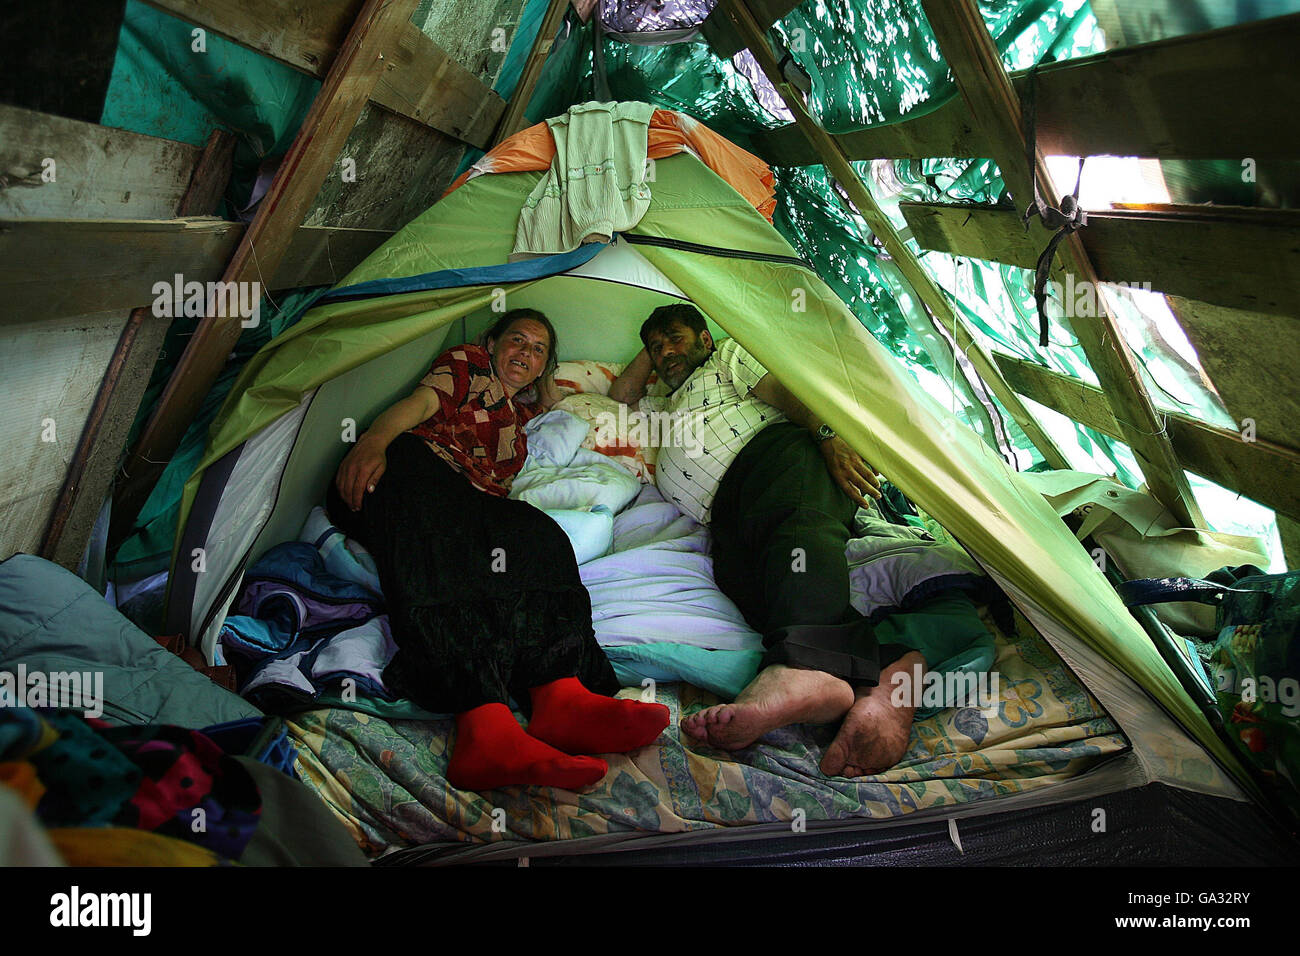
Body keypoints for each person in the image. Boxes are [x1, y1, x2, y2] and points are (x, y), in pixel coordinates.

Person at [327, 308, 669, 792]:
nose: (524, 354)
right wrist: (374, 442)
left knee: (537, 533)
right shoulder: (468, 364)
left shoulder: (522, 417)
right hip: (406, 469)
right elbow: (420, 405)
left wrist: (544, 382)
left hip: (470, 499)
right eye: (516, 341)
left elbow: (552, 409)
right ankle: (483, 730)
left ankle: (559, 696)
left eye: (537, 351)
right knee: (449, 548)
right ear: (491, 343)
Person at [609, 304, 925, 777]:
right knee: (751, 589)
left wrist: (824, 433)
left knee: (797, 533)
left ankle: (798, 672)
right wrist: (657, 353)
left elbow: (787, 393)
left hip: (779, 456)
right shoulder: (664, 403)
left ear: (705, 339)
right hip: (729, 513)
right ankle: (889, 673)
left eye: (675, 338)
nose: (665, 352)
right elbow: (619, 395)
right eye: (656, 348)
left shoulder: (728, 356)